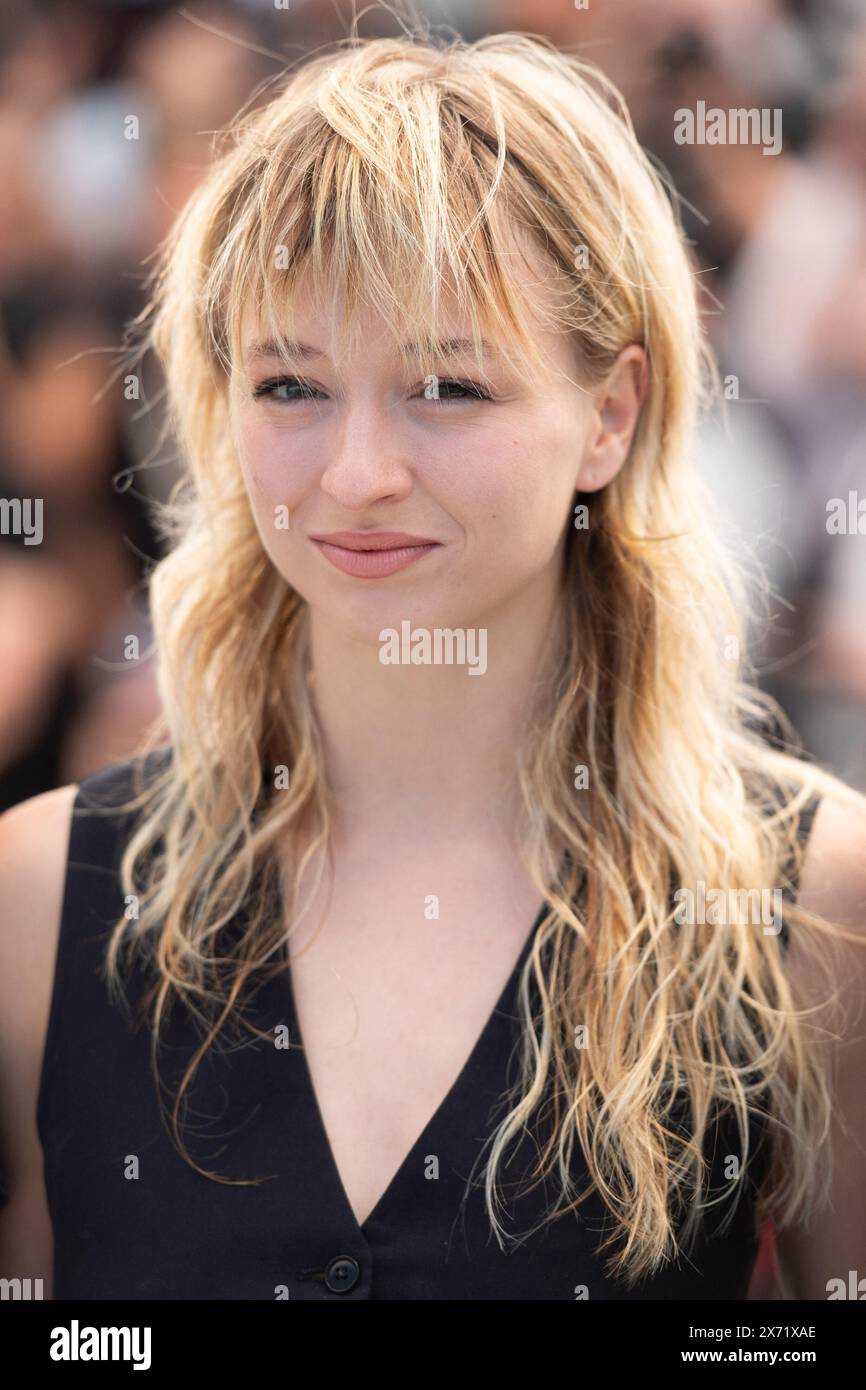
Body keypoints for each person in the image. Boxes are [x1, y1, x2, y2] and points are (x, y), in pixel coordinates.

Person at [1, 28, 865, 1301]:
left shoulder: (809, 909)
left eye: (448, 387)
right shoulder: (37, 901)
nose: (357, 474)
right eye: (290, 385)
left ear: (608, 415)